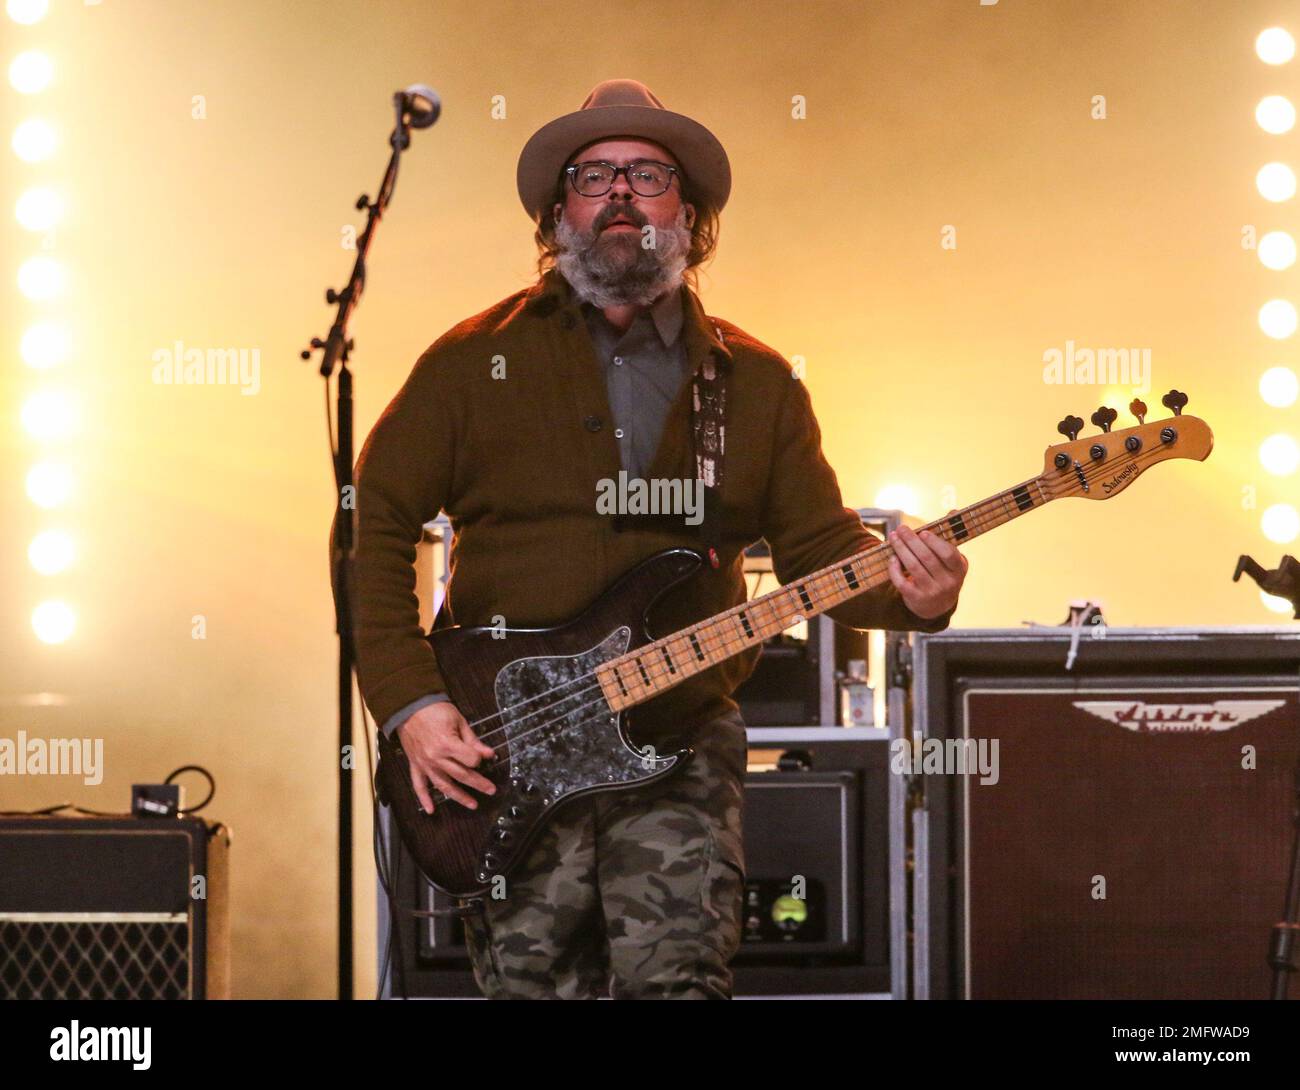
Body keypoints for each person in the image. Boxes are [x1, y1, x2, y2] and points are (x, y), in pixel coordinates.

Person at [349, 79, 968, 999]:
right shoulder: (473, 362)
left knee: (679, 986)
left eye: (650, 174)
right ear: (559, 212)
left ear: (691, 216)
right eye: (594, 176)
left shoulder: (753, 382)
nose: (622, 195)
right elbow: (372, 526)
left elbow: (819, 550)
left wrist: (917, 594)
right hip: (505, 743)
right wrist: (412, 706)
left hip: (677, 741)